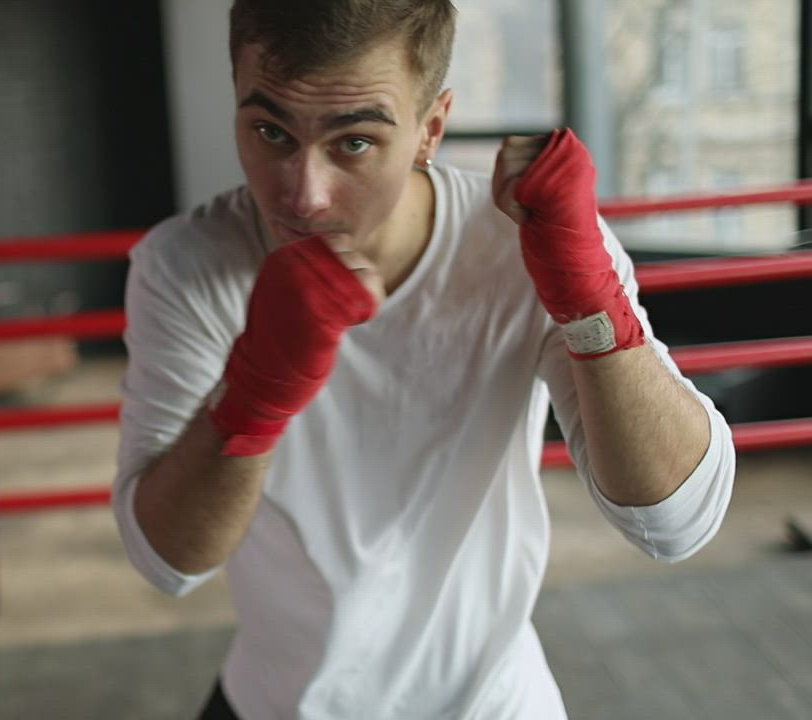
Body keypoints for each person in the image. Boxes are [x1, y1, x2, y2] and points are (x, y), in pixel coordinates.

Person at [112, 1, 735, 717]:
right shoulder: (188, 266)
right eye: (270, 131)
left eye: (353, 144)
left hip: (493, 702)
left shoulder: (515, 243)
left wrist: (593, 306)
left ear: (430, 128)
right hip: (278, 701)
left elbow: (676, 523)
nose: (303, 195)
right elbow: (168, 561)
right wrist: (253, 393)